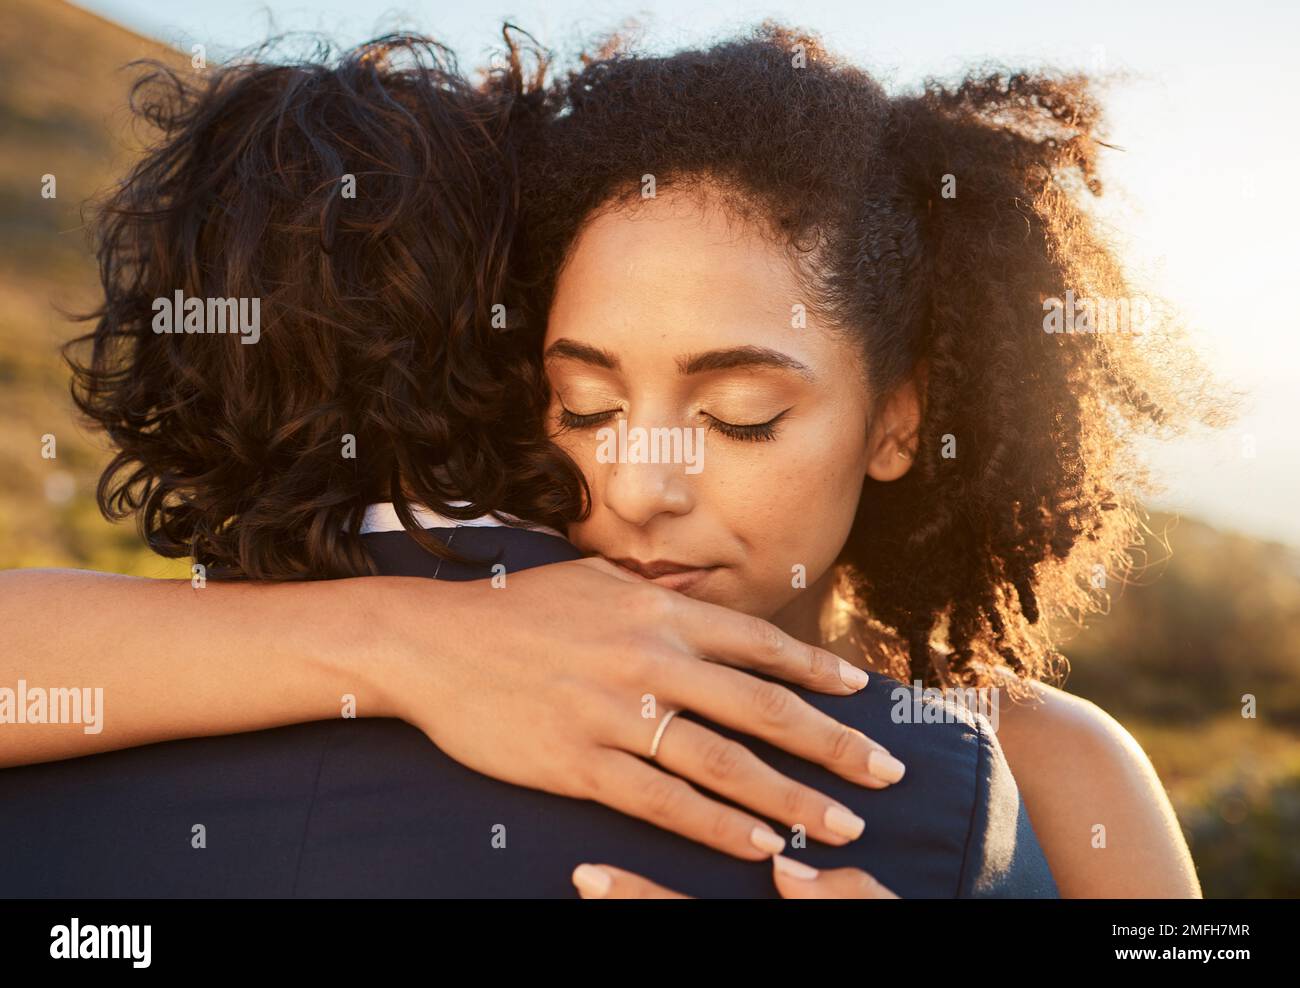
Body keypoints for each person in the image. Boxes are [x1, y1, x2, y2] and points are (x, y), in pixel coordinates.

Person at [0, 32, 1057, 897]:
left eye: (741, 416)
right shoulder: (145, 673)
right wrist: (406, 638)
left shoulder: (1038, 767)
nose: (644, 488)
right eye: (585, 406)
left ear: (897, 418)